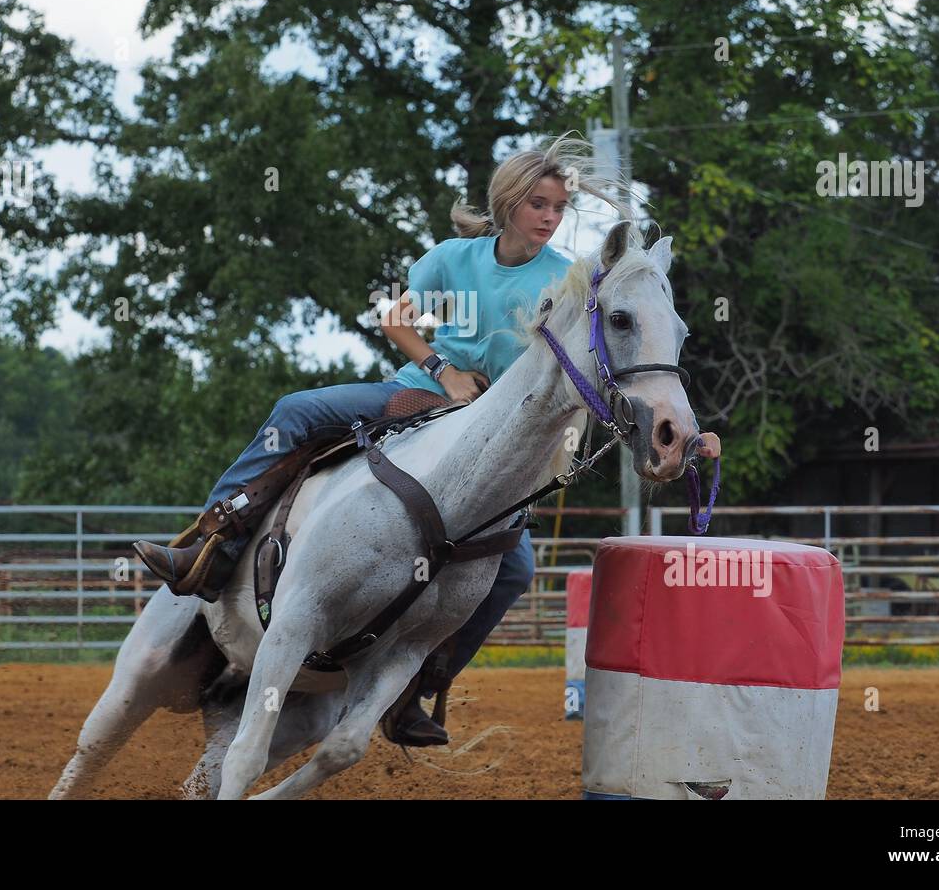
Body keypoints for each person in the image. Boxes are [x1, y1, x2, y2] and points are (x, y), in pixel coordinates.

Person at [137, 133, 632, 744]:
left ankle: (410, 692)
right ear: (509, 204)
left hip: (487, 433)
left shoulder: (565, 281)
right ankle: (211, 544)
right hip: (416, 394)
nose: (550, 219)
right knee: (295, 411)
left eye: (558, 209)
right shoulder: (452, 259)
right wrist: (442, 371)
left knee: (514, 569)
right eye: (539, 205)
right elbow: (395, 318)